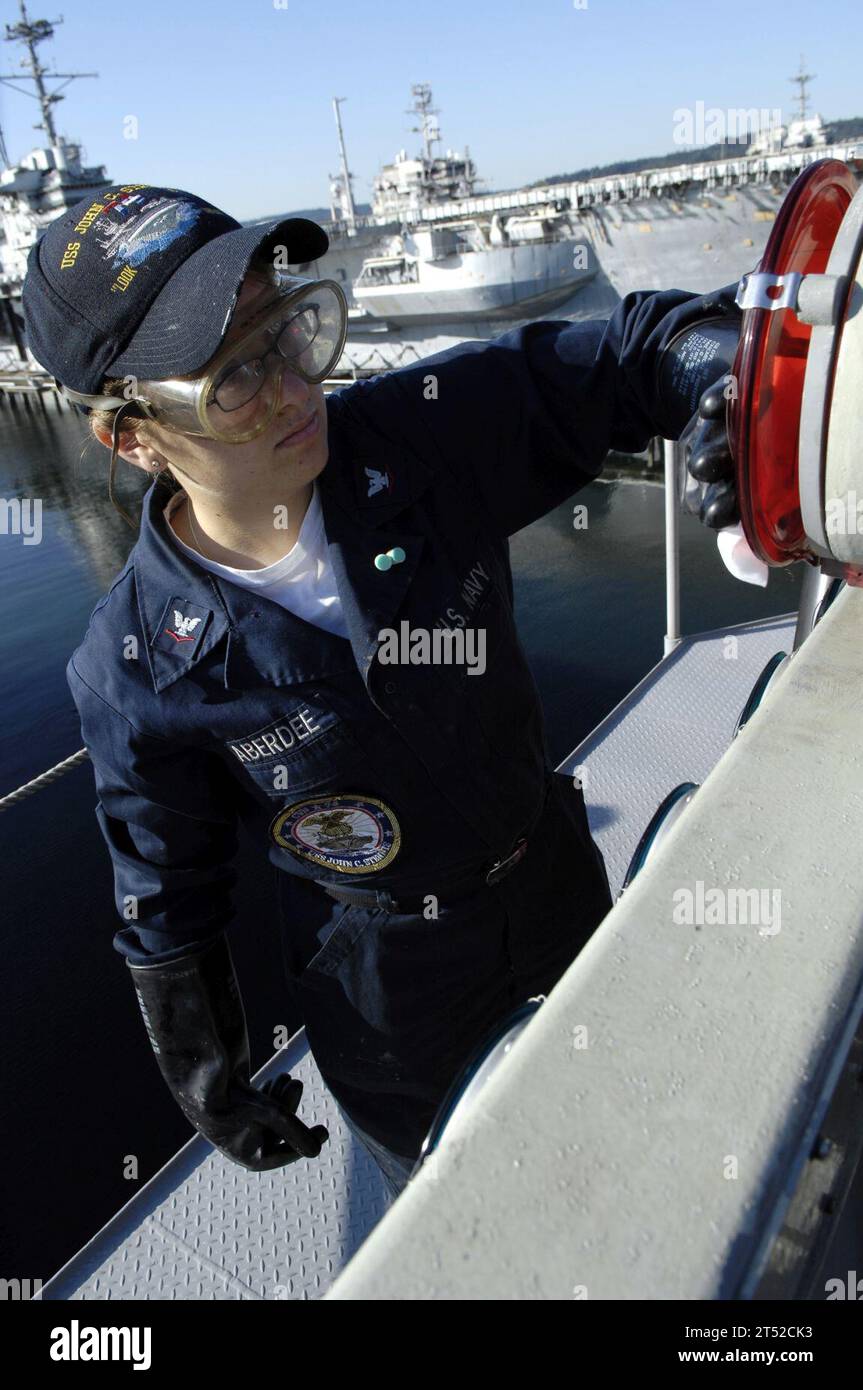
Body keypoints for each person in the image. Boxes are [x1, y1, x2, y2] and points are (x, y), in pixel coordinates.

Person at [22, 183, 742, 1200]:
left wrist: (718, 380)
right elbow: (167, 897)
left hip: (552, 882)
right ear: (129, 436)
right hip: (391, 996)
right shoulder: (135, 666)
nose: (292, 386)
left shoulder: (426, 439)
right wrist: (212, 1079)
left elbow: (633, 350)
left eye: (290, 329)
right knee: (465, 1201)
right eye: (234, 376)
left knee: (628, 1117)